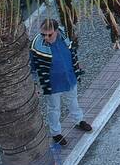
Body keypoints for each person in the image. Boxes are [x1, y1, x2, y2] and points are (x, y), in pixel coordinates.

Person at [31, 18, 90, 147]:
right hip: (52, 85)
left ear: (57, 31)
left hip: (69, 78)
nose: (46, 37)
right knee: (53, 109)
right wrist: (34, 85)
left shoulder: (65, 36)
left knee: (73, 101)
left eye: (49, 34)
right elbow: (32, 68)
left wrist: (77, 66)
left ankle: (79, 121)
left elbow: (72, 52)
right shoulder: (36, 45)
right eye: (43, 34)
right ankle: (56, 133)